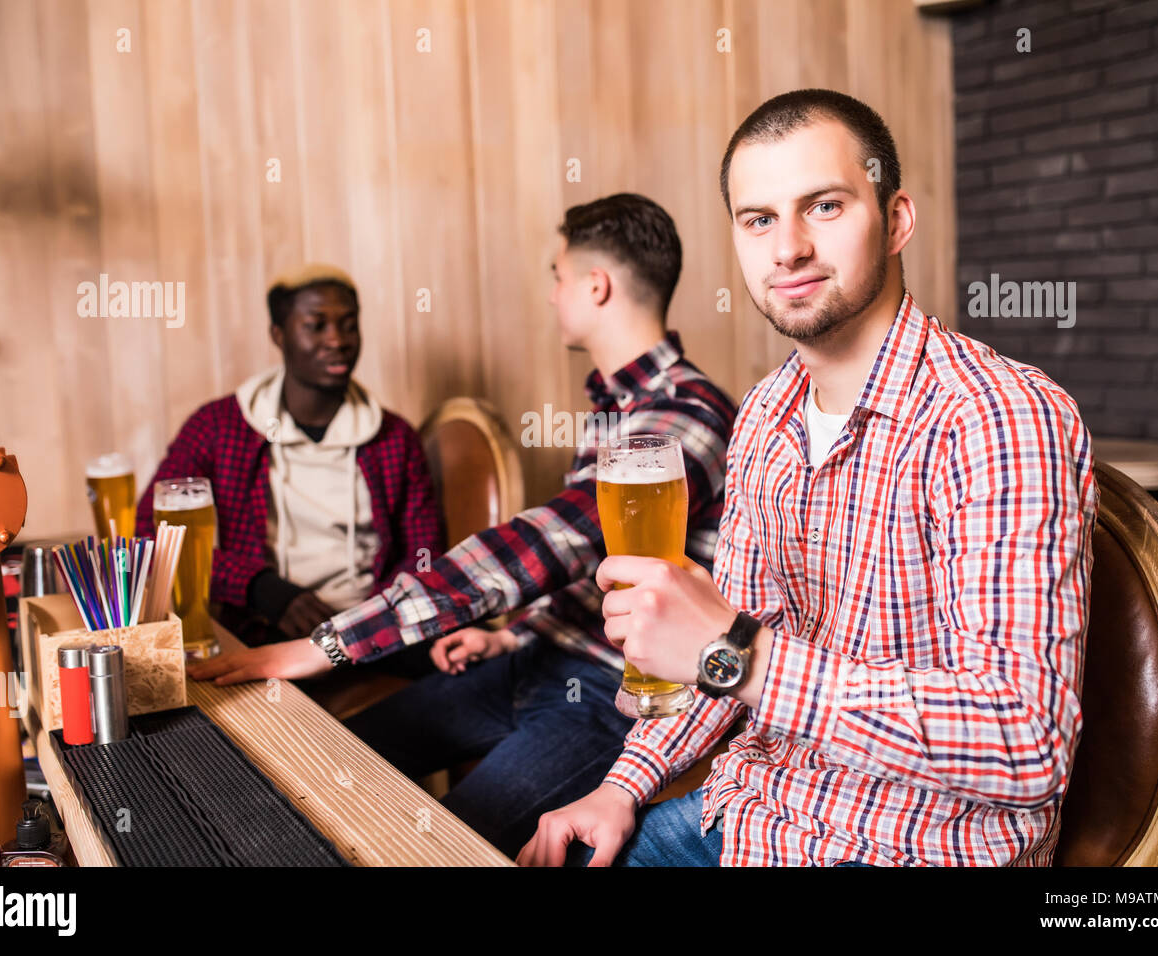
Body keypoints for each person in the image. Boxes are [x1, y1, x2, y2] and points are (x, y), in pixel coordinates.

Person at [519, 89, 1097, 868]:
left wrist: (740, 656)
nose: (786, 249)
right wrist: (622, 786)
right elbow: (724, 643)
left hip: (907, 847)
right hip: (746, 816)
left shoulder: (999, 416)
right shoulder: (764, 411)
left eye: (823, 207)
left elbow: (1025, 744)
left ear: (896, 220)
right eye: (758, 220)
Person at [189, 194, 738, 857]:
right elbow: (601, 573)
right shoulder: (617, 404)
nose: (552, 295)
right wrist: (509, 640)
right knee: (322, 769)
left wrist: (329, 644)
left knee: (425, 846)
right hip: (538, 659)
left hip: (603, 693)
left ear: (595, 287)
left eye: (557, 277)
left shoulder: (688, 415)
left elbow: (555, 538)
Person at [137, 264, 445, 649]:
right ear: (278, 335)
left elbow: (423, 552)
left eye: (349, 325)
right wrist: (261, 589)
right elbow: (150, 538)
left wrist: (373, 619)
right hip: (264, 632)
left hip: (375, 631)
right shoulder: (218, 426)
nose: (337, 340)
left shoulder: (395, 437)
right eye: (316, 325)